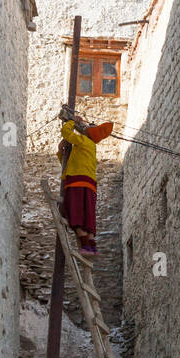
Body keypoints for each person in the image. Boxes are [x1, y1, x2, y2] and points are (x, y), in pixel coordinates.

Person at [58, 108, 114, 255]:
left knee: (73, 213)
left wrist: (72, 121)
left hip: (77, 183)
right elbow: (69, 163)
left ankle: (85, 245)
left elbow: (66, 133)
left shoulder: (83, 141)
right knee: (87, 215)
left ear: (88, 133)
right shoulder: (90, 147)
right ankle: (91, 247)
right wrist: (60, 151)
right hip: (90, 185)